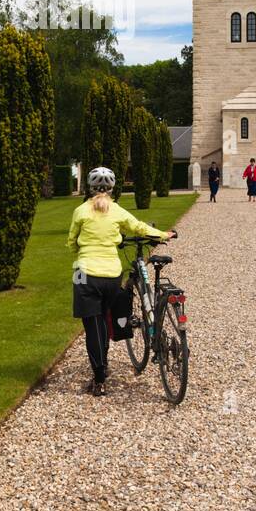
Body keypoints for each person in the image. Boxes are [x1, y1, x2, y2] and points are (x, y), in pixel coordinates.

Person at [67, 166, 175, 397]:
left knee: (93, 326)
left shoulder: (81, 211)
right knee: (105, 318)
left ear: (90, 187)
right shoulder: (117, 211)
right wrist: (164, 235)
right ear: (112, 189)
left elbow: (71, 242)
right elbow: (139, 227)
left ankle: (99, 377)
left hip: (86, 272)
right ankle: (103, 366)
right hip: (112, 274)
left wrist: (79, 249)